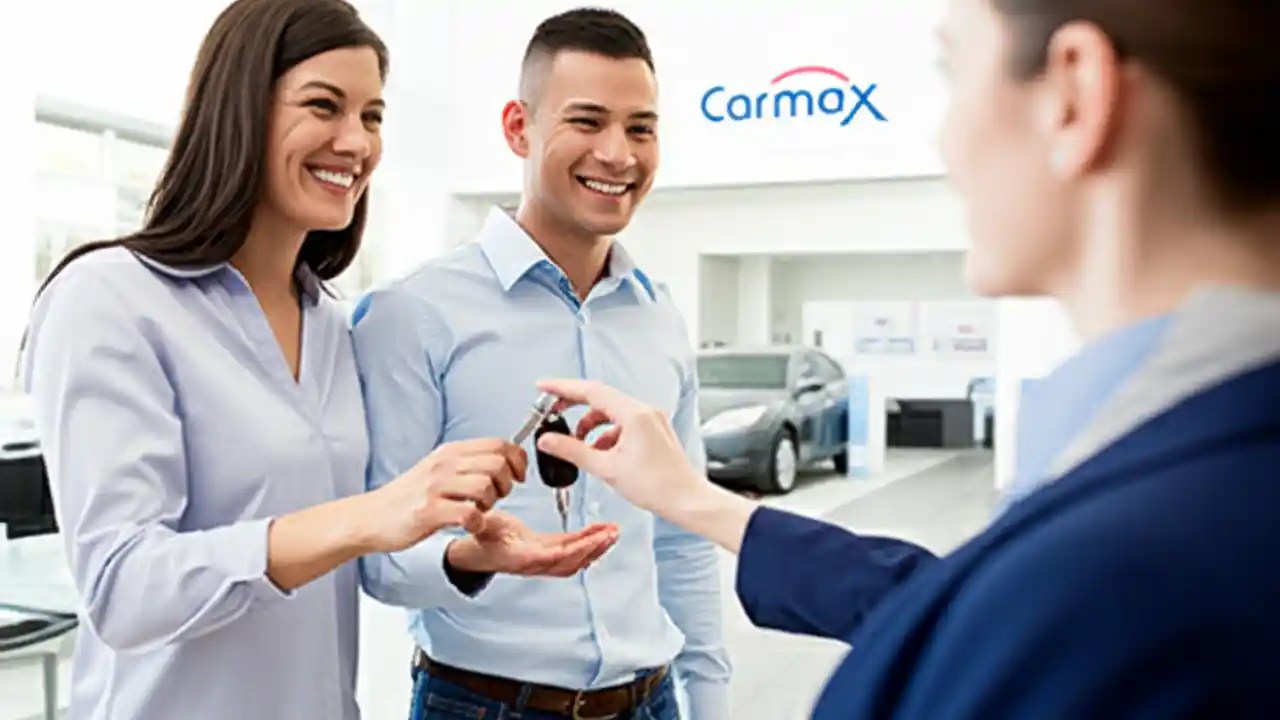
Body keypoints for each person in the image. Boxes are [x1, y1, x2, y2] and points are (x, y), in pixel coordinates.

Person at [533, 0, 1280, 717]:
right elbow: (973, 605)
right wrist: (698, 501)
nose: (946, 141)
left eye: (954, 73)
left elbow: (1033, 624)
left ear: (1077, 94)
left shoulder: (1138, 564)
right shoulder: (1191, 483)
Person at [19, 1, 611, 719]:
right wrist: (370, 513)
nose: (354, 142)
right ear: (239, 109)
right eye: (323, 106)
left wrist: (461, 554)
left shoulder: (331, 323)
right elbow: (122, 590)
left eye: (371, 116)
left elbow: (336, 550)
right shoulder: (111, 298)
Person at [351, 8, 730, 720]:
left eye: (640, 127)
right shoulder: (413, 314)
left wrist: (707, 702)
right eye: (587, 121)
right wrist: (471, 556)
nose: (618, 154)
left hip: (653, 701)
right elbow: (377, 558)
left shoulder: (660, 319)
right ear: (518, 128)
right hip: (484, 705)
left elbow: (682, 536)